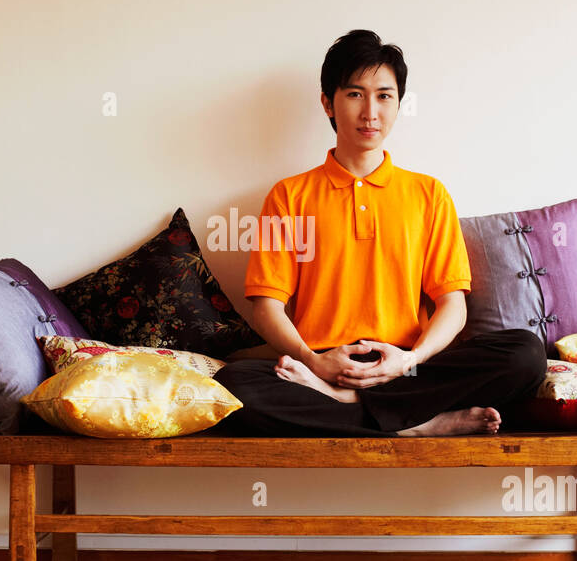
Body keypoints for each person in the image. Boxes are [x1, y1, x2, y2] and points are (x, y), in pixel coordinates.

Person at [210, 29, 546, 438]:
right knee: (235, 384)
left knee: (526, 354)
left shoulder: (429, 194)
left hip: (408, 367)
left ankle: (349, 405)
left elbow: (452, 306)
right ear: (327, 103)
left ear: (398, 104)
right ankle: (418, 423)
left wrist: (409, 360)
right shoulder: (289, 195)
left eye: (384, 96)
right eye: (355, 94)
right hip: (321, 363)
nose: (370, 112)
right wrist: (314, 362)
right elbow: (267, 307)